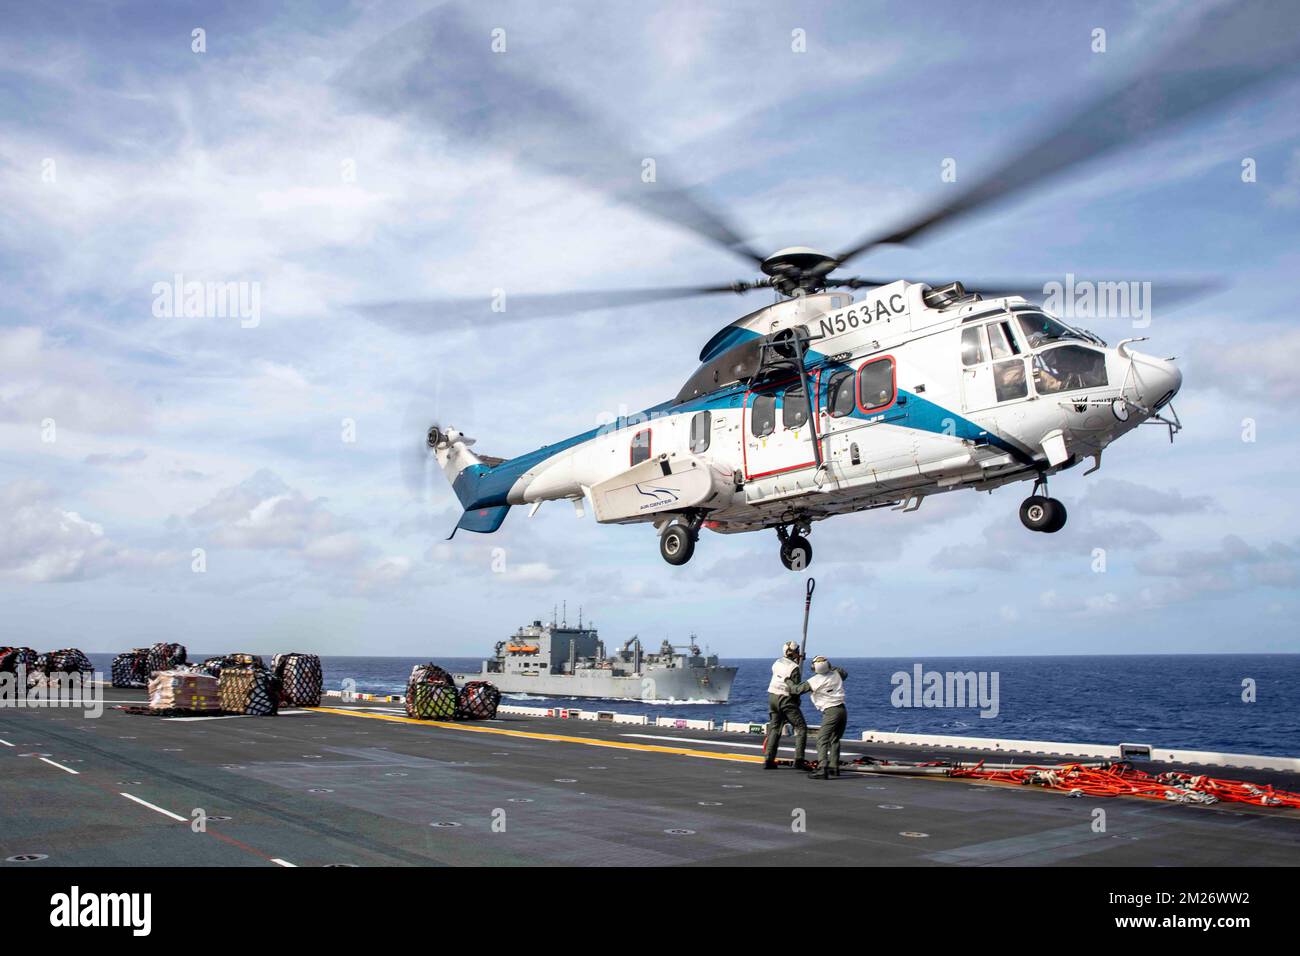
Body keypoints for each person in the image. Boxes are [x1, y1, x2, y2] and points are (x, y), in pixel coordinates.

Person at [786, 656, 848, 779]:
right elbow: (844, 673)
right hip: (842, 710)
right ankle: (834, 767)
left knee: (822, 740)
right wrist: (830, 667)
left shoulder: (815, 680)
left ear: (814, 667)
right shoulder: (836, 674)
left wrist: (788, 681)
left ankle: (822, 768)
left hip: (831, 711)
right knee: (834, 739)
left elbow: (796, 690)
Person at [762, 641, 809, 771]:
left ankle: (768, 759)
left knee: (775, 729)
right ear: (794, 652)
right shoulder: (794, 668)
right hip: (785, 698)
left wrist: (798, 660)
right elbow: (795, 689)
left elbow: (785, 666)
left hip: (772, 697)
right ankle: (799, 760)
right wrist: (797, 702)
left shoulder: (777, 662)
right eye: (797, 651)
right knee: (801, 728)